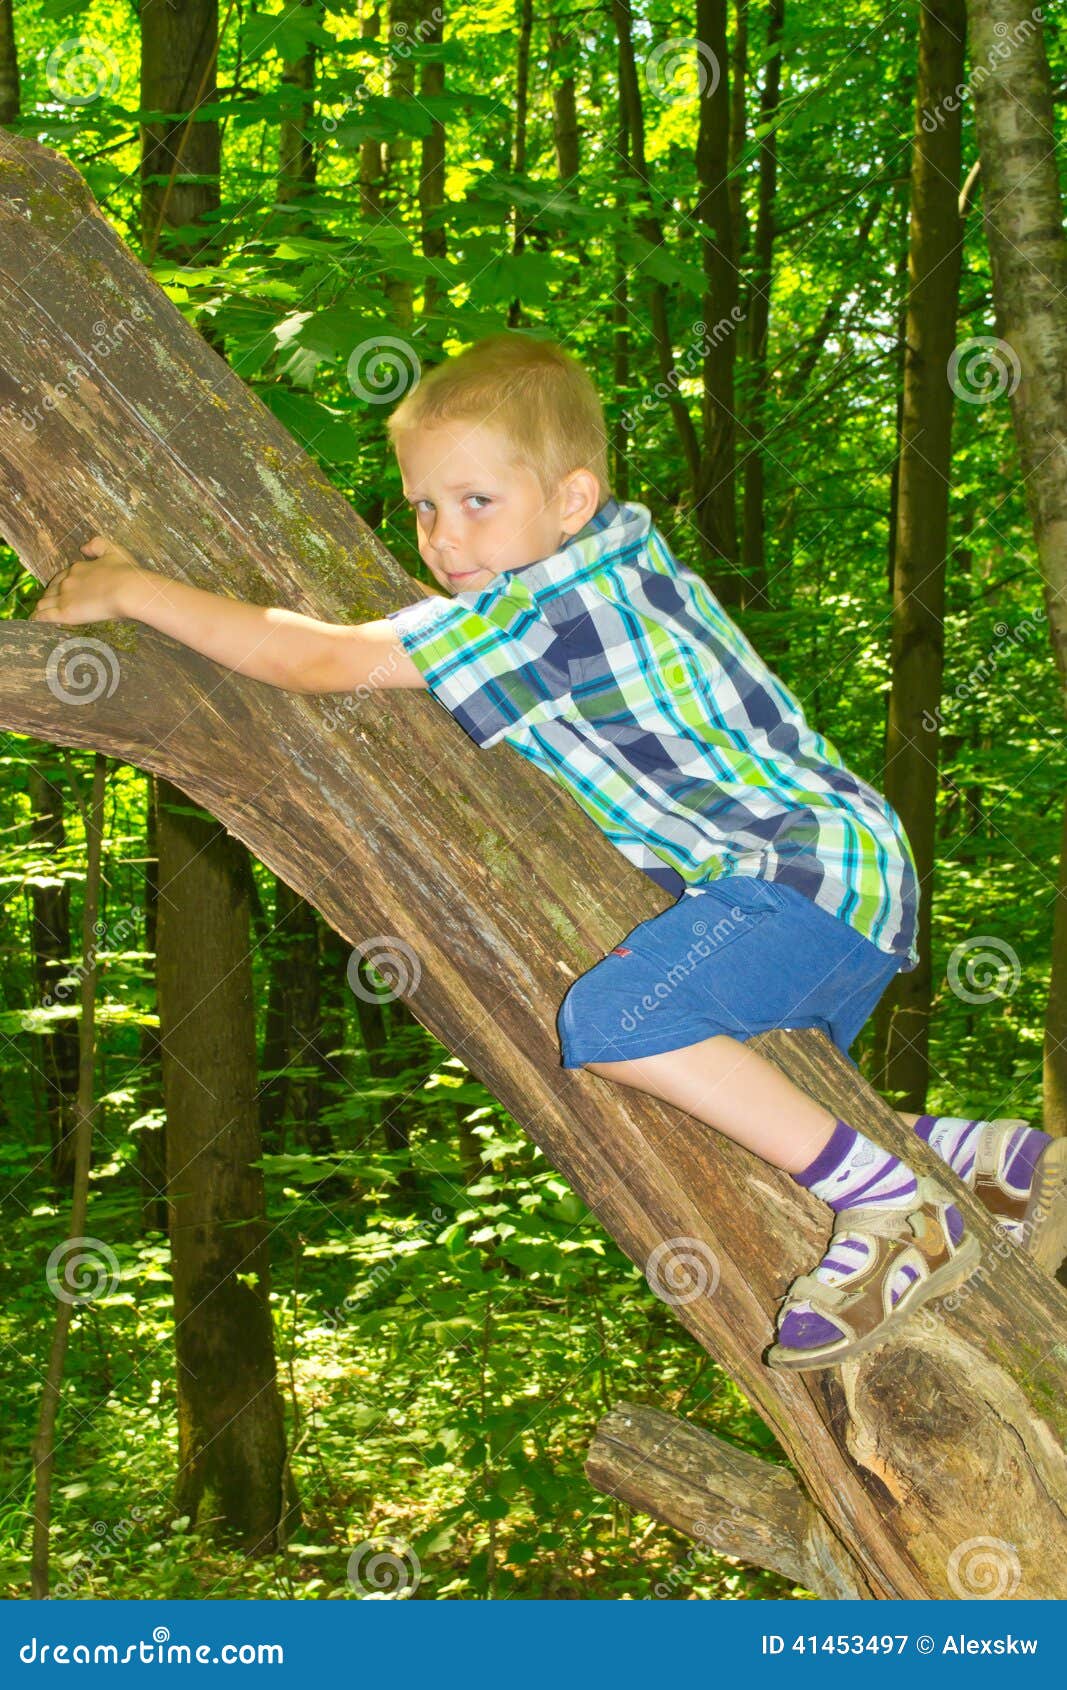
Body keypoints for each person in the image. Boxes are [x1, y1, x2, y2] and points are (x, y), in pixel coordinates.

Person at [30, 331, 1067, 1370]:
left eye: (477, 501)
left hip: (795, 876)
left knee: (614, 1019)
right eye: (425, 505)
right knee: (741, 1091)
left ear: (569, 500)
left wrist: (129, 589)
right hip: (834, 882)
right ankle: (989, 1161)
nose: (442, 535)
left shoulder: (540, 612)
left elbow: (308, 657)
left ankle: (897, 1211)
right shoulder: (616, 562)